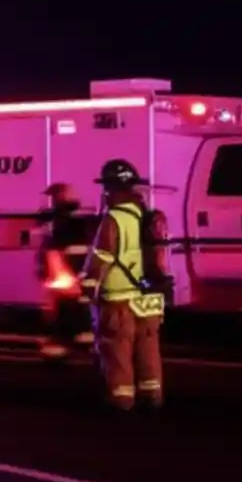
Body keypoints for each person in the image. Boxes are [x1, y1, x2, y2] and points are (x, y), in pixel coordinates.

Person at [81, 159, 169, 414]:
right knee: (148, 347)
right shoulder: (149, 215)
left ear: (111, 189)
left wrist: (88, 284)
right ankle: (152, 394)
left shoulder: (113, 219)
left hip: (119, 297)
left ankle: (122, 399)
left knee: (117, 348)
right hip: (148, 295)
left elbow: (103, 257)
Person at [37, 183, 95, 361]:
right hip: (81, 274)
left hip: (66, 274)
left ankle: (57, 349)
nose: (52, 201)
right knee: (82, 309)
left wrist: (47, 272)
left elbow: (54, 250)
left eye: (54, 197)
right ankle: (86, 343)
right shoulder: (82, 220)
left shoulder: (60, 222)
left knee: (63, 311)